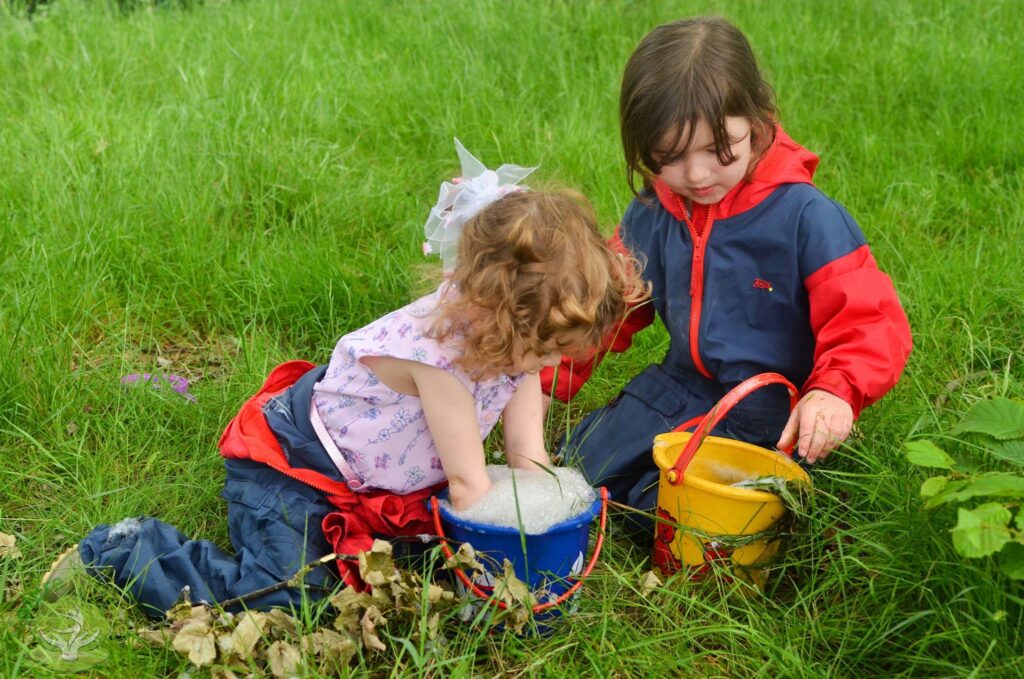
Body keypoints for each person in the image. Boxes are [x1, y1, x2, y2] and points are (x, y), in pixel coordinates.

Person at [44, 141, 647, 617]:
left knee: (425, 577)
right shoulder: (438, 361)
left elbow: (527, 457)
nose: (546, 369)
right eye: (542, 351)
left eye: (557, 354)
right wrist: (514, 563)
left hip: (383, 481)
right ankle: (125, 550)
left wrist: (555, 521)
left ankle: (394, 542)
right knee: (291, 596)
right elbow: (468, 486)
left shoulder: (514, 347)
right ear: (495, 317)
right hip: (300, 470)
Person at [540, 17, 912, 530]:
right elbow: (602, 309)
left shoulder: (805, 217)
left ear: (759, 120)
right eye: (669, 157)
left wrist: (835, 390)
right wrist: (542, 381)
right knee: (580, 469)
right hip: (683, 386)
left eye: (719, 151)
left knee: (675, 513)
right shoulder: (654, 211)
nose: (696, 176)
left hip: (772, 413)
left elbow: (870, 322)